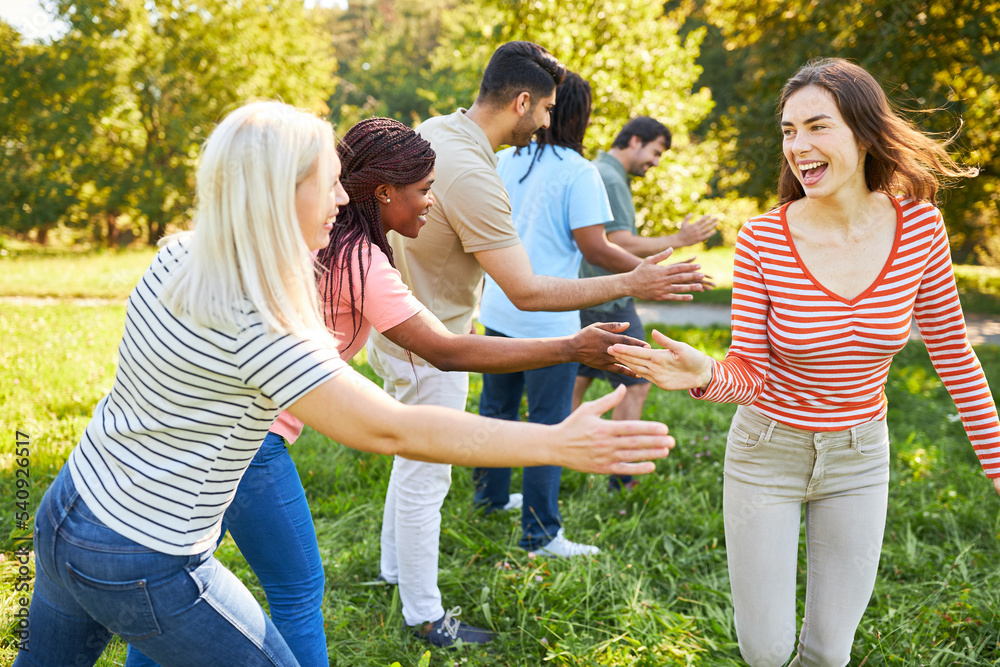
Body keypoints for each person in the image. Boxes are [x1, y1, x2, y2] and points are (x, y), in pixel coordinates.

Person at [14, 101, 677, 667]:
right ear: (279, 192)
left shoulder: (179, 252)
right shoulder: (265, 321)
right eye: (329, 183)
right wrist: (553, 443)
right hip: (145, 556)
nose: (340, 196)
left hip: (71, 508)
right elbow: (390, 426)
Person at [608, 58, 1000, 667]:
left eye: (818, 127)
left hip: (860, 456)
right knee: (764, 652)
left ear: (865, 133)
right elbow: (752, 372)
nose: (799, 146)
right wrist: (707, 375)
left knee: (828, 653)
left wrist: (998, 464)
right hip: (767, 452)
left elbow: (953, 353)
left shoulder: (919, 226)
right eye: (789, 131)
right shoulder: (764, 238)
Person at [368, 41, 710, 648]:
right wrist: (633, 279)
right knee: (428, 479)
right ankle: (424, 615)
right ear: (522, 101)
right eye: (547, 108)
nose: (551, 121)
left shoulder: (436, 131)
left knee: (410, 458)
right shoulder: (474, 171)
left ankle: (392, 570)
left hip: (399, 326)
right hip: (433, 341)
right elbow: (525, 291)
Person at [473, 72, 715, 557]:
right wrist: (650, 275)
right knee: (549, 423)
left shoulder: (501, 159)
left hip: (498, 308)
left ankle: (490, 498)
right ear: (577, 114)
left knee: (497, 408)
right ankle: (541, 536)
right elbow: (597, 248)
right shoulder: (577, 170)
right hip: (549, 318)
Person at [571, 115, 719, 492]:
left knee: (578, 377)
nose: (655, 163)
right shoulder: (611, 177)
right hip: (609, 298)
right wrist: (680, 239)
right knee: (636, 383)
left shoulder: (598, 170)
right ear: (635, 141)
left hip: (587, 291)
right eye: (655, 152)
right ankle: (620, 476)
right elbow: (619, 241)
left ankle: (561, 459)